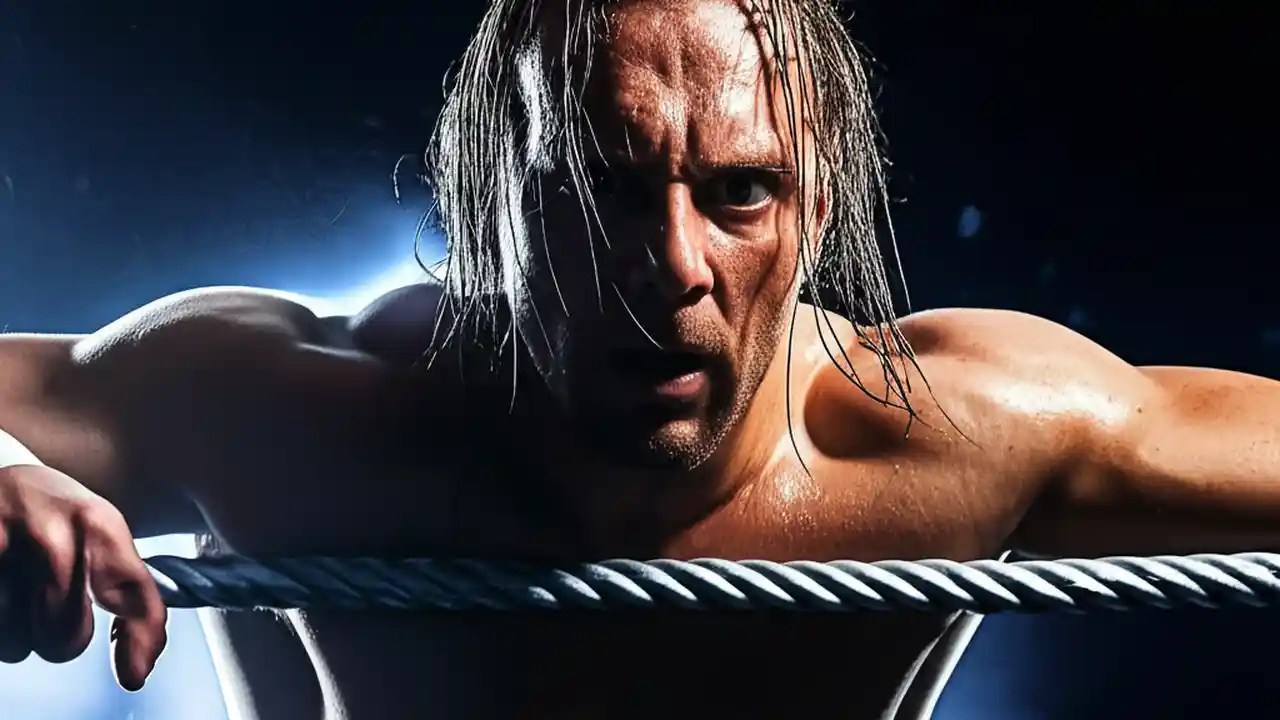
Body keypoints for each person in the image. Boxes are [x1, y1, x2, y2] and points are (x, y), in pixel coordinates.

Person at [1, 0, 1278, 718]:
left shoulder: (965, 431)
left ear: (814, 208)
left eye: (736, 192)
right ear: (493, 205)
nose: (669, 265)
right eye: (597, 192)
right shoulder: (298, 412)